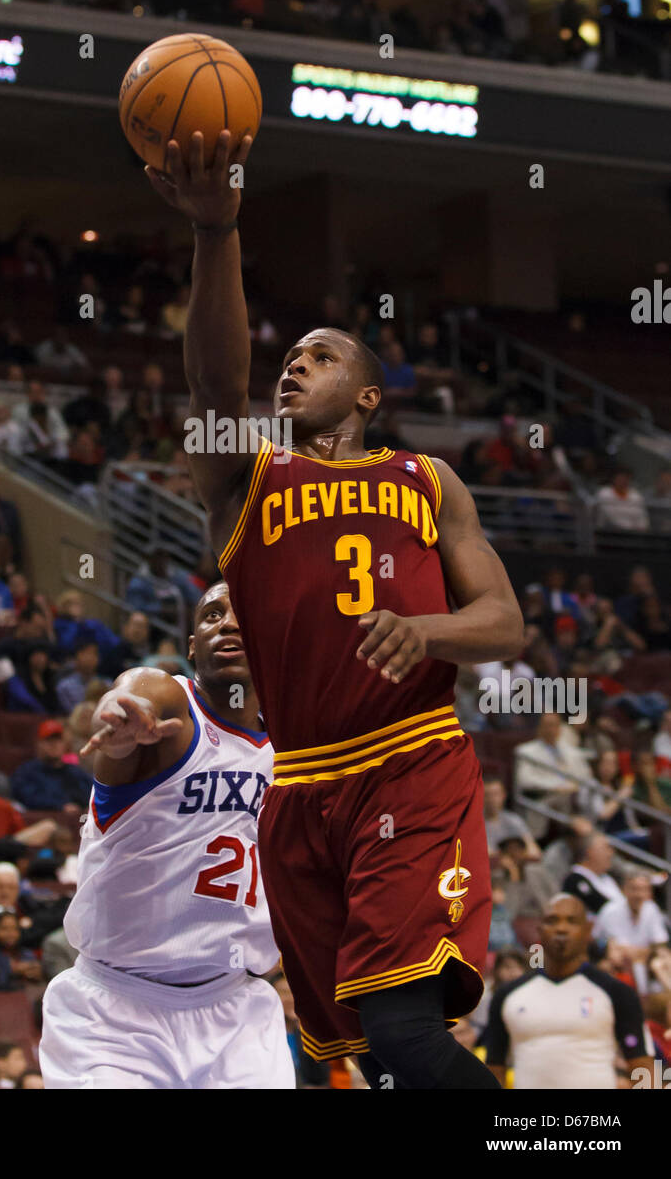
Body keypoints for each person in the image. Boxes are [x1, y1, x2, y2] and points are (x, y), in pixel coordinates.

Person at [142, 128, 523, 1088]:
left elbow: (507, 625)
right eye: (291, 356)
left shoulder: (428, 478)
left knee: (402, 1032)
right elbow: (212, 382)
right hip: (301, 785)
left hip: (411, 762)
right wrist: (217, 230)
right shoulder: (246, 479)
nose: (294, 367)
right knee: (329, 1058)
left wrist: (426, 628)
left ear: (367, 393)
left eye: (319, 357)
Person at [40, 582, 293, 1089]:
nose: (228, 624)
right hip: (115, 1013)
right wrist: (116, 716)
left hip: (234, 1009)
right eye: (212, 615)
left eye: (244, 614)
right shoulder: (169, 707)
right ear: (193, 646)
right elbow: (131, 690)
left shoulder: (296, 747)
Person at [484, 895, 653, 1088]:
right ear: (540, 930)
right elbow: (494, 1070)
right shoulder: (507, 995)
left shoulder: (618, 992)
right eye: (552, 921)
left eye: (572, 921)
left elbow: (642, 1066)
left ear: (588, 930)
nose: (561, 929)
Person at [594, 871, 670, 997]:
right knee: (612, 961)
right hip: (614, 962)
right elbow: (610, 948)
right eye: (635, 889)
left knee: (663, 960)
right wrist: (639, 952)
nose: (639, 895)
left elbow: (660, 945)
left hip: (643, 961)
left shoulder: (651, 909)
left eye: (644, 890)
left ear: (650, 893)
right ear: (625, 890)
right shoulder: (611, 910)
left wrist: (643, 953)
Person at [10, 721, 92, 812]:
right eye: (48, 740)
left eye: (58, 740)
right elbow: (27, 798)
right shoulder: (26, 772)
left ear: (65, 744)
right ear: (39, 744)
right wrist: (60, 806)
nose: (54, 744)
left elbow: (93, 793)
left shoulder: (76, 772)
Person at [562, 832, 626, 915]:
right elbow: (602, 908)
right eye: (606, 848)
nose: (611, 853)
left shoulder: (608, 878)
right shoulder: (574, 880)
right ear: (590, 852)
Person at [593, 468, 650, 532]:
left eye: (626, 478)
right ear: (614, 479)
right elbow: (610, 516)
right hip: (607, 532)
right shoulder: (604, 493)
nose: (623, 480)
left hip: (633, 534)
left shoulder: (636, 496)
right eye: (620, 477)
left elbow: (642, 519)